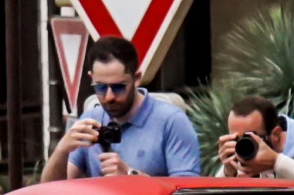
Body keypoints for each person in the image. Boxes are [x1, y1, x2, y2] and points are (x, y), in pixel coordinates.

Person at [42, 35, 203, 181]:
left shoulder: (171, 121)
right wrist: (62, 150)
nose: (109, 97)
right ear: (91, 78)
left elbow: (185, 193)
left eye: (118, 87)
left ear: (136, 78)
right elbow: (50, 190)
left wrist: (130, 175)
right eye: (101, 88)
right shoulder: (90, 120)